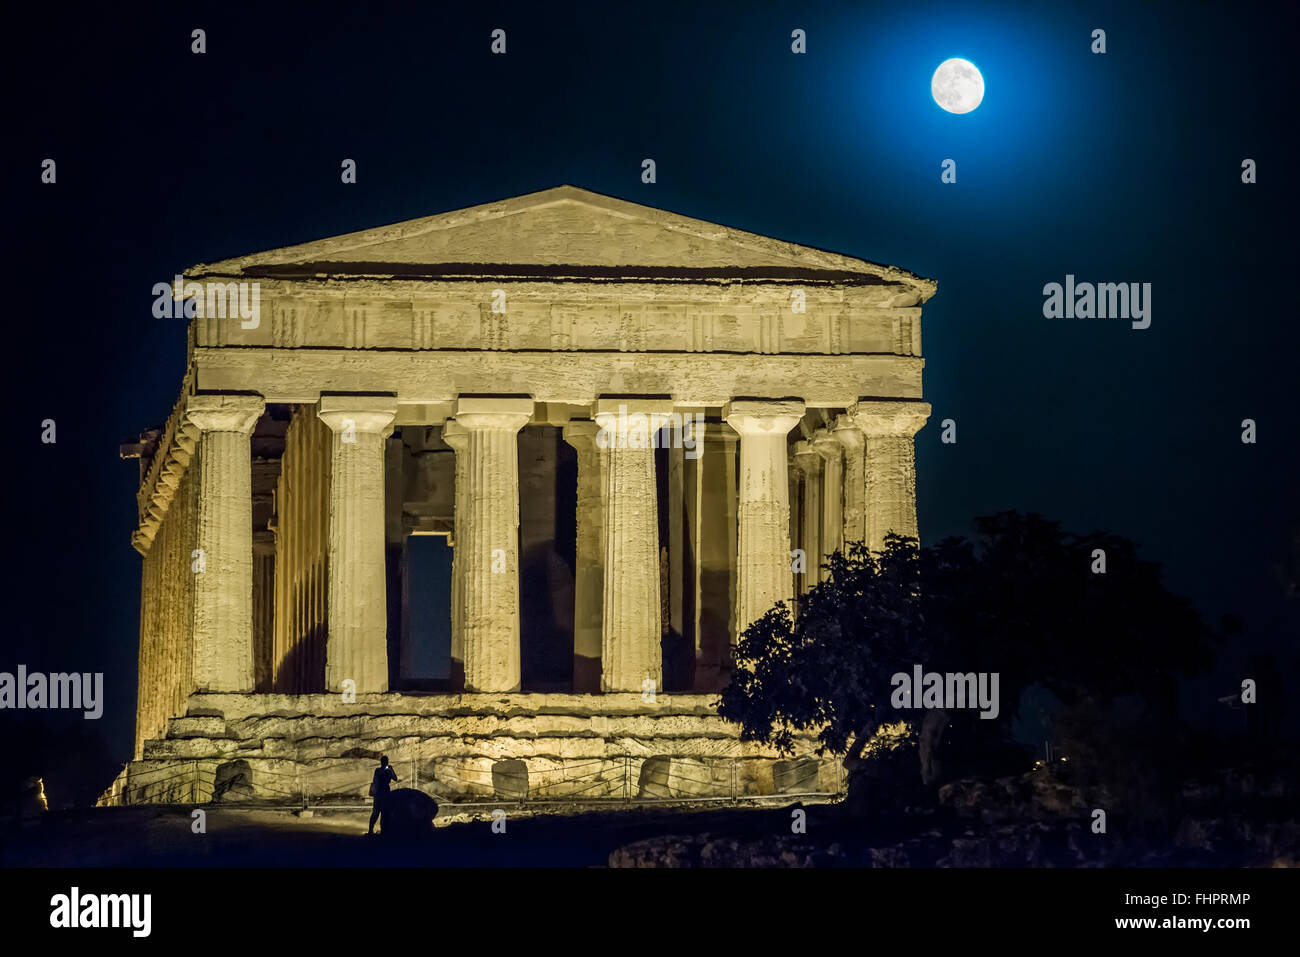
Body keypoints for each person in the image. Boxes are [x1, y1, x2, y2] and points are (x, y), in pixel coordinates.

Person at [368, 755, 398, 835]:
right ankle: (372, 830)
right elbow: (377, 781)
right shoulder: (378, 770)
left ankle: (381, 831)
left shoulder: (386, 770)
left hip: (383, 794)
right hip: (381, 794)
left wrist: (391, 770)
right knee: (378, 813)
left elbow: (395, 778)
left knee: (383, 813)